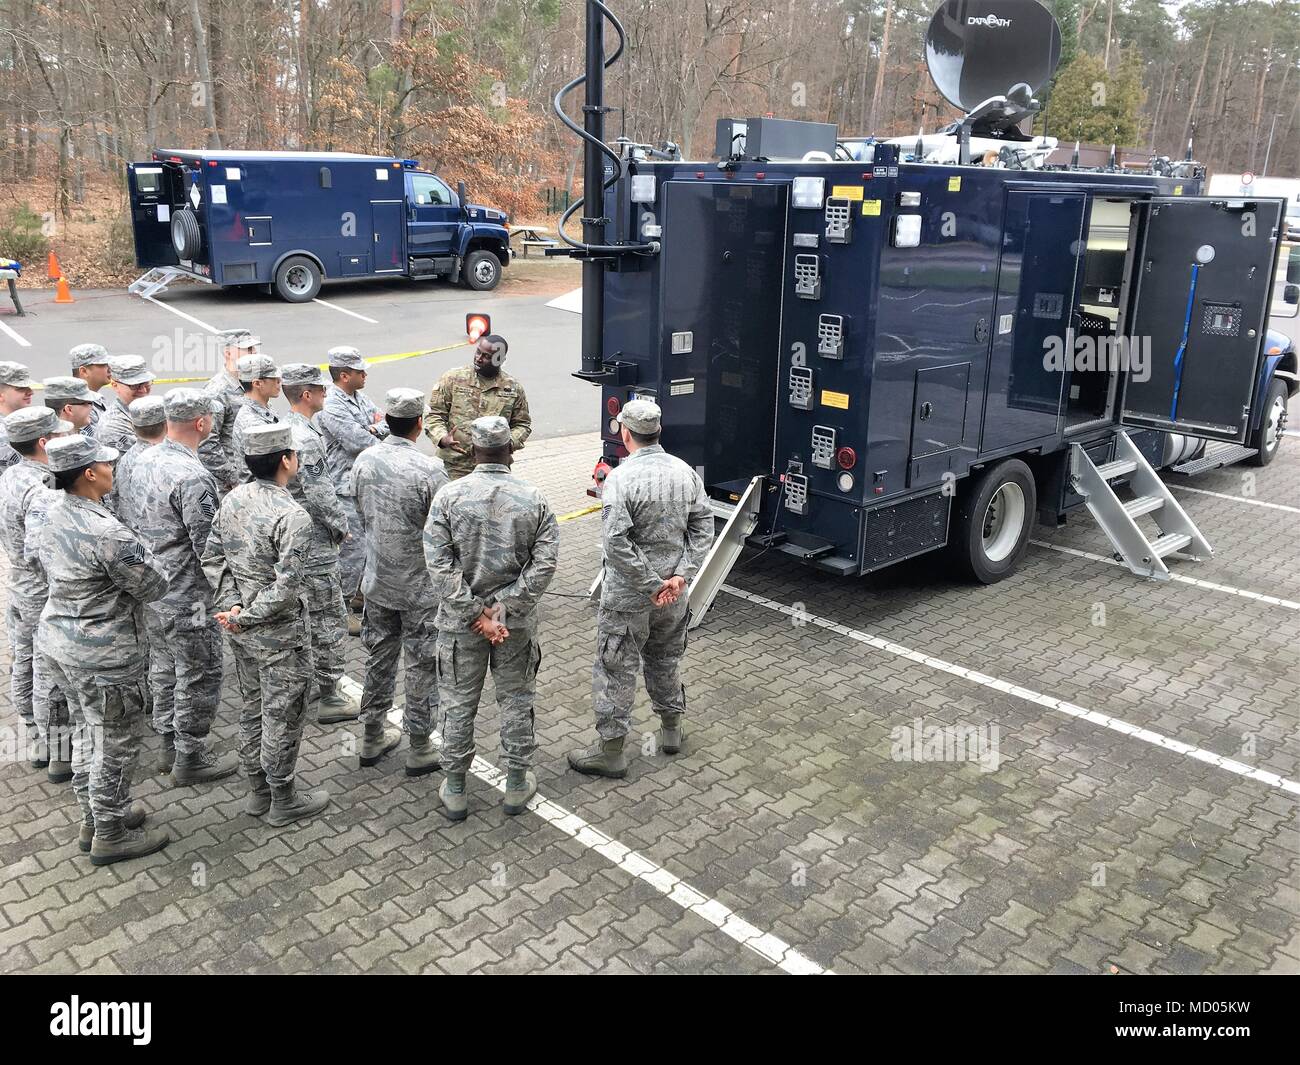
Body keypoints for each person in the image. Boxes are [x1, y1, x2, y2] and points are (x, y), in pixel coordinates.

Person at [35, 434, 170, 865]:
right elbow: (153, 584)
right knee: (114, 743)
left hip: (59, 644)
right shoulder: (107, 531)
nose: (113, 469)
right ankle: (110, 834)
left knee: (85, 732)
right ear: (89, 473)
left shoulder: (50, 511)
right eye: (106, 464)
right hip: (104, 655)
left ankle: (94, 818)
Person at [568, 400, 714, 778]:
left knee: (616, 668)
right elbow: (703, 526)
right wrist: (681, 576)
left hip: (629, 599)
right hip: (674, 597)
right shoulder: (685, 472)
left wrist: (651, 585)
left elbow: (616, 542)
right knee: (665, 660)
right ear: (659, 431)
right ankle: (671, 731)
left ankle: (611, 752)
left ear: (625, 433)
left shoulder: (620, 478)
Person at [423, 415, 558, 821]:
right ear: (509, 449)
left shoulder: (449, 496)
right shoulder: (533, 497)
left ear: (475, 450)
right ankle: (516, 784)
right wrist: (504, 608)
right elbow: (545, 562)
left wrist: (474, 611)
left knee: (458, 703)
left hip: (461, 626)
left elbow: (437, 561)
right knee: (516, 699)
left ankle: (457, 789)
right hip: (513, 626)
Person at [202, 422, 330, 827]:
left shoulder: (233, 498)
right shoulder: (293, 516)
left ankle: (257, 791)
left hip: (241, 631)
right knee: (284, 714)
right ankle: (282, 798)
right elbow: (288, 586)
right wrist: (248, 615)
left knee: (254, 707)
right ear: (287, 460)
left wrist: (233, 609)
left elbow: (213, 558)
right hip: (277, 634)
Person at [134, 388, 234, 783]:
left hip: (152, 589)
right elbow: (209, 546)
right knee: (200, 671)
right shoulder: (193, 475)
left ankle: (167, 745)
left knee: (164, 666)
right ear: (202, 422)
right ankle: (190, 757)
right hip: (188, 596)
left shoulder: (143, 459)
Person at [350, 387, 447, 775]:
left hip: (377, 581)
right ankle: (421, 746)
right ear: (420, 425)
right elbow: (442, 529)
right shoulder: (429, 469)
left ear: (387, 421)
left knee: (378, 658)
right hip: (420, 588)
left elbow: (360, 513)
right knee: (423, 665)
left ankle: (372, 736)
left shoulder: (364, 461)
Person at [281, 362, 359, 722]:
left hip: (294, 536)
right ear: (307, 395)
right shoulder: (306, 438)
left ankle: (313, 681)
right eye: (322, 390)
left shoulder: (287, 427)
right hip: (315, 539)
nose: (327, 394)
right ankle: (330, 695)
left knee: (306, 611)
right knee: (328, 615)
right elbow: (319, 492)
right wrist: (342, 526)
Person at [0, 407, 73, 777]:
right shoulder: (42, 486)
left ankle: (38, 738)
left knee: (25, 661)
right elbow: (40, 549)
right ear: (44, 442)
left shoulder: (11, 474)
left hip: (19, 587)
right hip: (43, 591)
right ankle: (60, 754)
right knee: (52, 672)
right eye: (58, 435)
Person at [317, 346, 386, 624]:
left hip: (363, 484)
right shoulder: (332, 404)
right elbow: (358, 441)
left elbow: (385, 421)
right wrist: (373, 430)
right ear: (344, 375)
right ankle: (343, 610)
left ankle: (359, 594)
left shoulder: (358, 396)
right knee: (352, 551)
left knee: (369, 546)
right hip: (344, 486)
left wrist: (376, 427)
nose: (365, 374)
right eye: (360, 371)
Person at [424, 333, 531, 481]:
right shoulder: (453, 379)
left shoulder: (512, 388)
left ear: (499, 359)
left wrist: (508, 443)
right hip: (454, 467)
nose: (479, 358)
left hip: (494, 469)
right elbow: (435, 414)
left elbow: (522, 424)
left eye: (487, 356)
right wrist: (442, 438)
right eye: (478, 352)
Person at [200, 329, 259, 493]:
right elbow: (206, 443)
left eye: (254, 348)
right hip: (233, 486)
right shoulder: (217, 391)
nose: (253, 353)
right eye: (248, 350)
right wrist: (234, 479)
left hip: (254, 475)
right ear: (228, 353)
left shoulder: (252, 382)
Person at [106, 395, 167, 532]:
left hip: (134, 535)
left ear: (133, 426)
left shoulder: (126, 458)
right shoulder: (163, 462)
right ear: (167, 423)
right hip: (158, 538)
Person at [231, 354, 281, 480]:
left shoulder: (264, 407)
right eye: (275, 379)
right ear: (257, 383)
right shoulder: (253, 423)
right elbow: (269, 470)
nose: (279, 383)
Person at [97, 355, 155, 452]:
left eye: (146, 383)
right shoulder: (113, 426)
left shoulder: (147, 410)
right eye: (135, 385)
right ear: (115, 386)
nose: (143, 390)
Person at [0, 360, 36, 470]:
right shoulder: (5, 435)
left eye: (29, 387)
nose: (30, 392)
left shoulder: (18, 424)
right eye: (21, 388)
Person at [69, 343, 111, 433]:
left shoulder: (98, 398)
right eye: (104, 365)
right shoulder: (77, 406)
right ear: (84, 371)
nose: (110, 369)